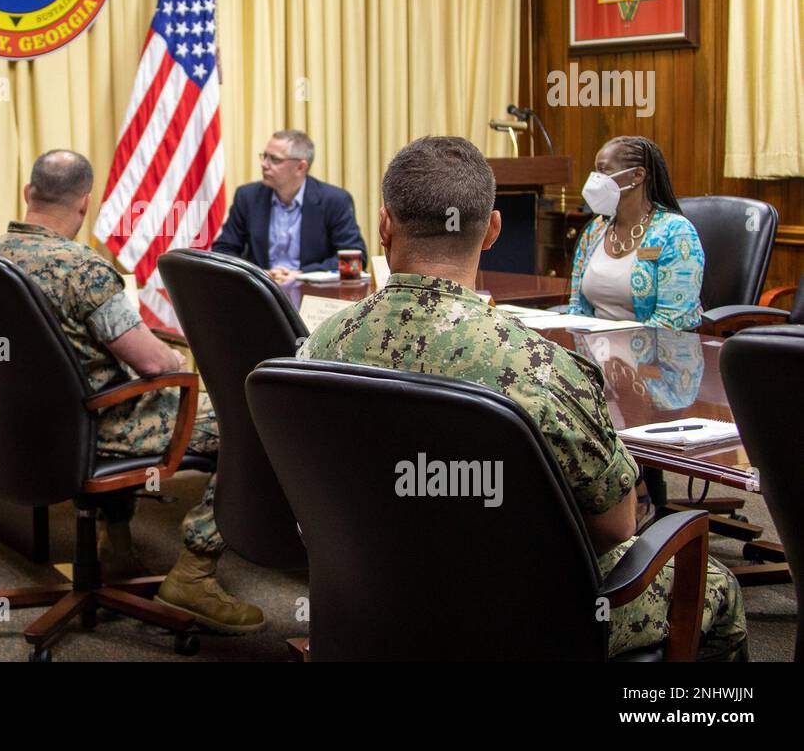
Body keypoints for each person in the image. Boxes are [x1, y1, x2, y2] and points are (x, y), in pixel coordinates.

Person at [298, 136, 746, 660]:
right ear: (492, 230)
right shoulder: (542, 370)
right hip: (516, 619)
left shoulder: (316, 347)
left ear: (384, 224)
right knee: (718, 589)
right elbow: (616, 525)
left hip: (365, 597)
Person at [0, 149, 265, 633]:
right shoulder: (84, 270)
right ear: (86, 202)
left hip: (28, 429)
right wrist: (179, 362)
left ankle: (115, 549)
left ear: (28, 193)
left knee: (123, 387)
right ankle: (194, 573)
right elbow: (153, 362)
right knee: (253, 425)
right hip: (102, 427)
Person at [567, 136, 705, 330]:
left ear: (637, 175)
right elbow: (576, 308)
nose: (595, 179)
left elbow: (673, 320)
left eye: (603, 170)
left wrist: (620, 350)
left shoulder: (676, 233)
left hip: (654, 354)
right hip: (592, 352)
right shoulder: (595, 230)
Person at [211, 129, 366, 283]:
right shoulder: (247, 197)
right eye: (264, 156)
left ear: (301, 167)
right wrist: (258, 274)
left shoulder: (334, 200)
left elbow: (355, 259)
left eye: (274, 159)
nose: (264, 164)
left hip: (313, 294)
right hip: (261, 291)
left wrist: (301, 274)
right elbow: (223, 249)